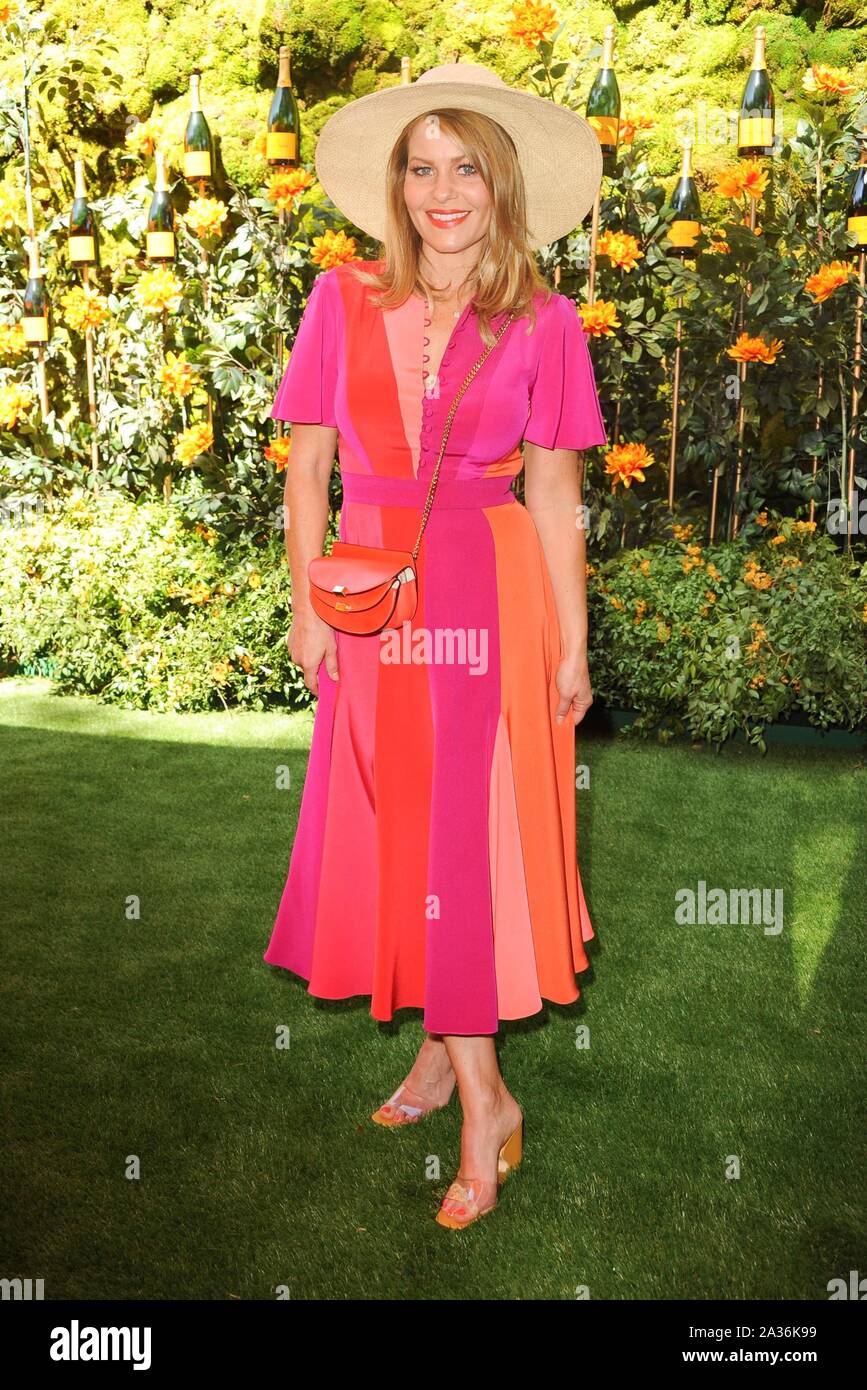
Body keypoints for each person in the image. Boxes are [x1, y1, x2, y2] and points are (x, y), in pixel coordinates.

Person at [263, 61, 608, 1230]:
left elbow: (556, 495)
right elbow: (308, 467)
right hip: (369, 595)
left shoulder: (547, 323)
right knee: (394, 823)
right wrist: (310, 604)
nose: (443, 191)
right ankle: (441, 1063)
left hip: (490, 594)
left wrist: (572, 642)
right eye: (423, 166)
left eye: (467, 167)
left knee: (459, 845)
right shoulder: (339, 299)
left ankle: (482, 1105)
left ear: (501, 185)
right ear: (396, 183)